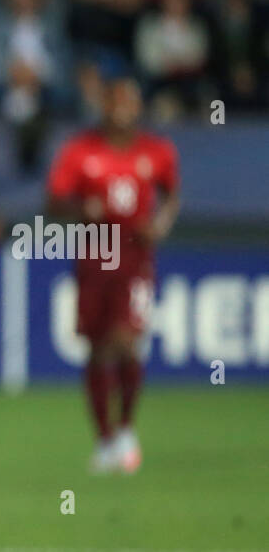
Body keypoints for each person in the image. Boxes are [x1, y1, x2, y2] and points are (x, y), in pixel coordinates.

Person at [47, 75, 180, 473]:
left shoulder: (156, 152)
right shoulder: (79, 151)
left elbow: (172, 194)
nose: (121, 109)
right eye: (114, 102)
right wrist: (80, 210)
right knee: (98, 347)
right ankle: (104, 439)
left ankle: (126, 429)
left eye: (129, 102)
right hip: (94, 255)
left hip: (135, 257)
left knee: (127, 340)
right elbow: (54, 202)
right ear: (103, 107)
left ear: (138, 108)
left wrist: (160, 224)